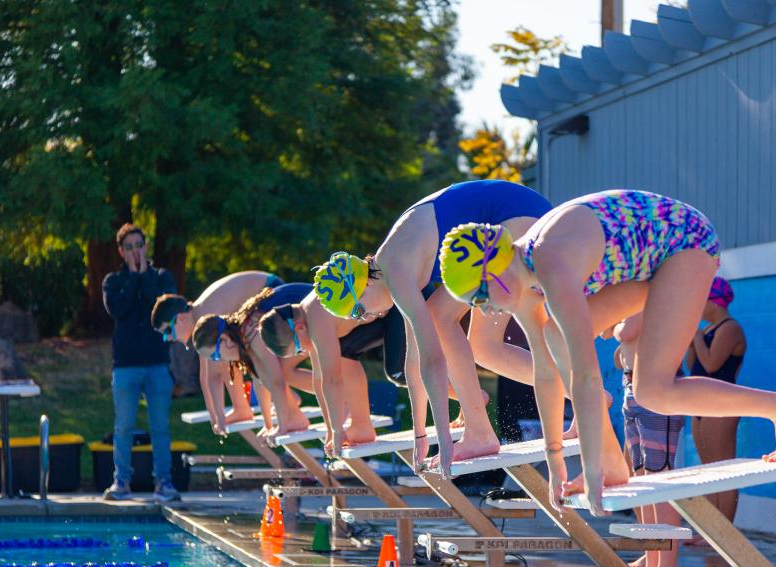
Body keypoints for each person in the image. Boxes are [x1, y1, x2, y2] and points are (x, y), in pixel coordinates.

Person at [437, 190, 776, 515]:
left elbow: (586, 377)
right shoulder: (523, 283)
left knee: (655, 390)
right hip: (646, 261)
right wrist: (555, 463)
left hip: (685, 245)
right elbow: (547, 375)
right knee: (554, 337)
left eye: (479, 297)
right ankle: (611, 461)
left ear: (496, 273)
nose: (483, 311)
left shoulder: (550, 264)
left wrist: (587, 466)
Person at [312, 180, 553, 473]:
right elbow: (414, 364)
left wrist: (444, 441)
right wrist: (420, 435)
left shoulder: (395, 270)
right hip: (522, 221)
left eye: (359, 311)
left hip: (518, 223)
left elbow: (433, 361)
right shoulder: (394, 261)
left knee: (442, 319)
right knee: (483, 347)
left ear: (362, 286)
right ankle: (578, 398)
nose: (368, 319)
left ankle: (479, 433)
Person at [258, 268, 408, 457]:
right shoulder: (307, 314)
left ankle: (458, 400)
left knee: (399, 373)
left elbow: (332, 380)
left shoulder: (317, 318)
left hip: (400, 302)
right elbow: (319, 381)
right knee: (344, 350)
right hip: (382, 312)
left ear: (299, 328)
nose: (303, 352)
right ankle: (362, 427)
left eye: (298, 349)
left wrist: (338, 431)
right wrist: (331, 430)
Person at [102, 223, 180, 502]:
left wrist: (144, 275)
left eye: (139, 245)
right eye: (129, 247)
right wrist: (133, 277)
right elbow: (118, 310)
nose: (135, 251)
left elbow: (159, 305)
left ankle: (164, 482)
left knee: (160, 426)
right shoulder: (113, 281)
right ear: (121, 252)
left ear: (146, 247)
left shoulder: (161, 278)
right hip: (125, 366)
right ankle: (121, 481)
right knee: (123, 426)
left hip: (158, 364)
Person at [151, 271, 283, 435]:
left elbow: (214, 376)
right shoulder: (200, 316)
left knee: (235, 354)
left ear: (180, 318)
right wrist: (215, 417)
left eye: (168, 331)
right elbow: (205, 376)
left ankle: (285, 401)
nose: (169, 338)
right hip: (267, 293)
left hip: (273, 291)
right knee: (226, 355)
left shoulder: (206, 313)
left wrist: (219, 418)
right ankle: (241, 408)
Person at [614, 314, 684, 567]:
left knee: (660, 481)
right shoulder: (631, 297)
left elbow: (622, 330)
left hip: (656, 389)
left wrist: (615, 318)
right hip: (632, 386)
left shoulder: (651, 293)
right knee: (642, 481)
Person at [191, 283, 314, 437]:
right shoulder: (245, 336)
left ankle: (296, 417)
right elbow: (260, 381)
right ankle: (294, 417)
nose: (219, 361)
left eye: (215, 356)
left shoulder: (253, 331)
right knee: (272, 372)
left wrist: (282, 426)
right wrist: (268, 425)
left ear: (224, 339)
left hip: (318, 309)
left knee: (281, 370)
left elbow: (277, 381)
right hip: (306, 319)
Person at [685, 277, 746, 530]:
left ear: (712, 301)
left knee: (724, 469)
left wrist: (696, 335)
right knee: (708, 468)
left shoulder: (730, 329)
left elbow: (711, 363)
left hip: (723, 405)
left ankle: (724, 531)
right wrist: (691, 339)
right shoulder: (707, 331)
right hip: (702, 405)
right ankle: (710, 531)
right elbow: (694, 367)